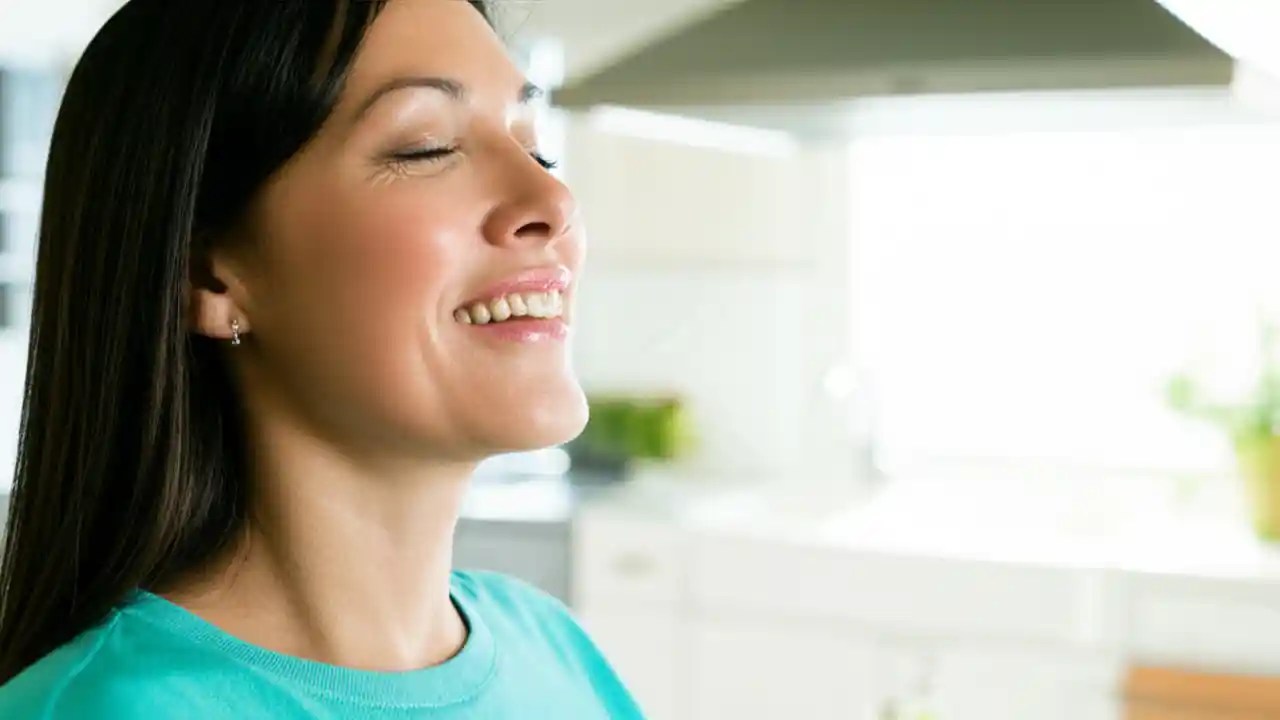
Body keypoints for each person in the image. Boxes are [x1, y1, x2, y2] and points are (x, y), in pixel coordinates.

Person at [0, 0, 644, 717]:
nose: (551, 198)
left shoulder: (558, 655)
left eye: (536, 146)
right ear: (207, 275)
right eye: (426, 147)